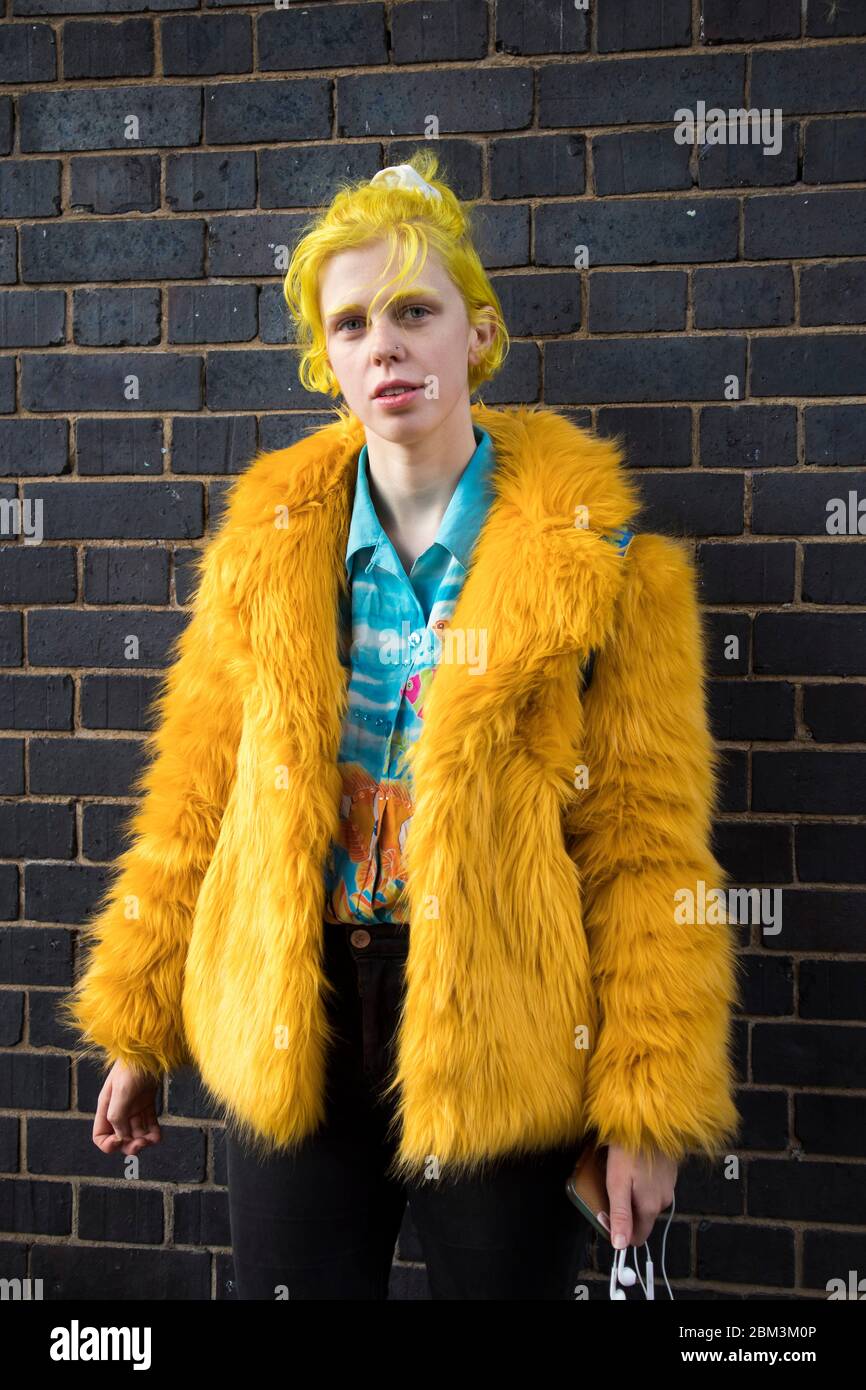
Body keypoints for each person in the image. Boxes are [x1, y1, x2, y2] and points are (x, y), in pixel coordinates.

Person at [61, 151, 742, 1300]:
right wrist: (137, 1023)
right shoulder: (264, 557)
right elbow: (193, 796)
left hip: (504, 1028)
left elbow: (645, 853)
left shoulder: (609, 574)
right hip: (292, 1017)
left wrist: (646, 1104)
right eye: (351, 323)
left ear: (476, 334)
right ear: (325, 360)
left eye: (414, 311)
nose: (383, 344)